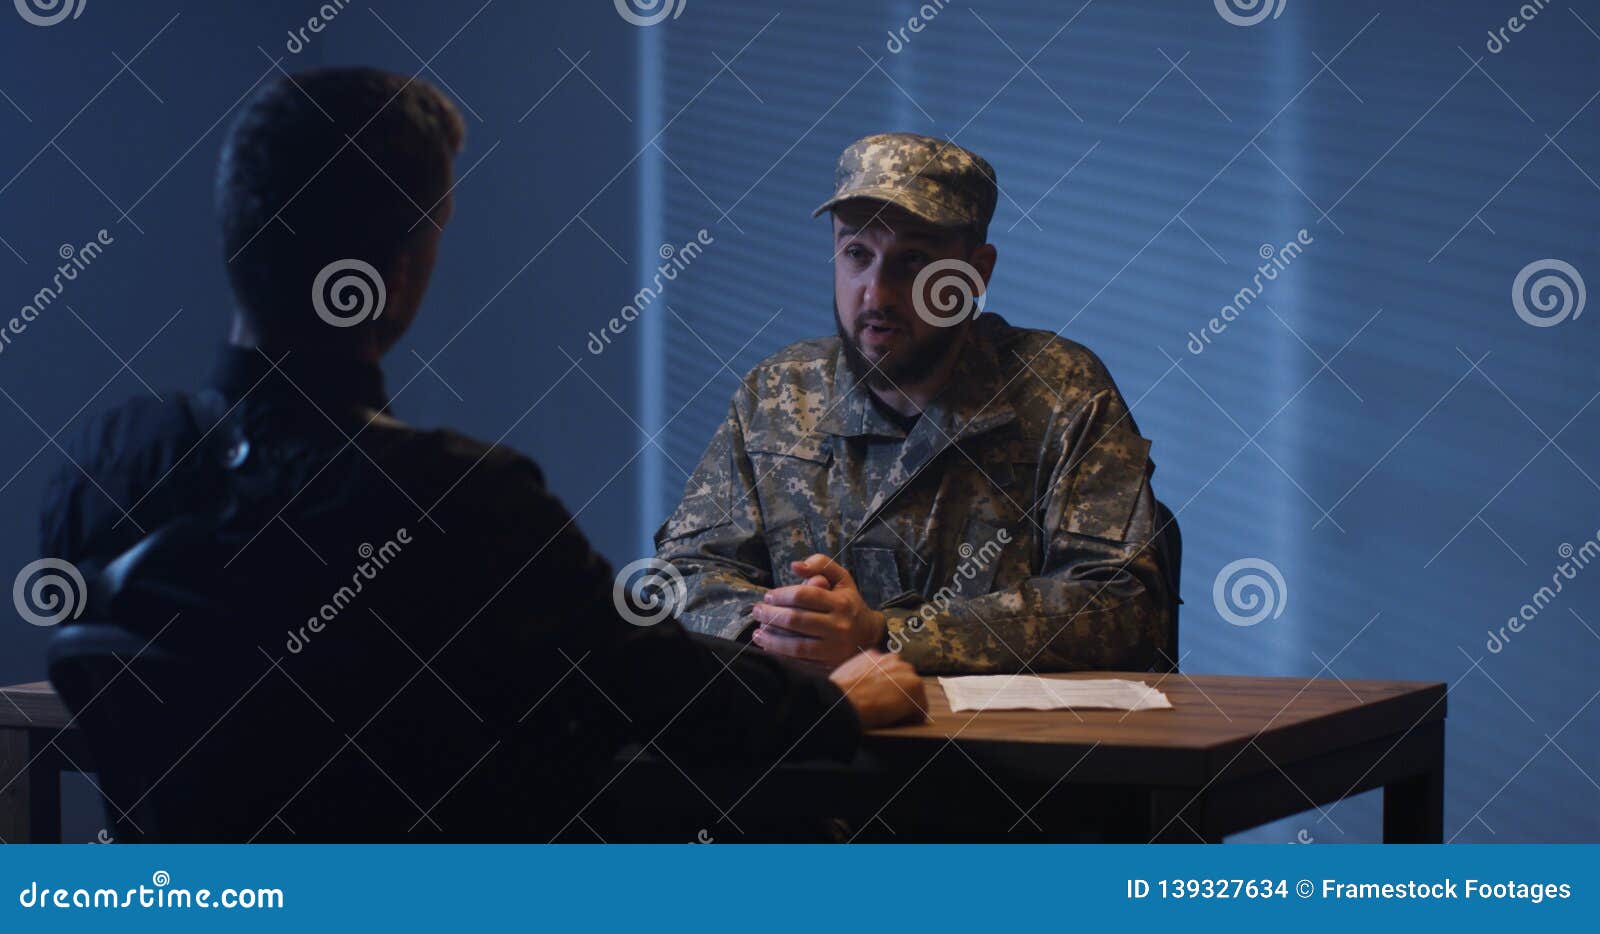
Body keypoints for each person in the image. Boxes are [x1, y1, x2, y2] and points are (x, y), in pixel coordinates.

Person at [39, 68, 924, 842]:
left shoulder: (104, 467)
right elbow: (661, 689)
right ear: (402, 268)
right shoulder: (465, 505)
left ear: (235, 233)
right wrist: (839, 703)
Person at [656, 132, 1171, 674]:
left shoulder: (1064, 392)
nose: (877, 294)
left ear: (977, 271)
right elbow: (679, 575)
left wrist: (887, 635)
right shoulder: (779, 393)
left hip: (1001, 729)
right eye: (857, 254)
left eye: (914, 261)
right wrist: (780, 630)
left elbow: (1123, 604)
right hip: (815, 722)